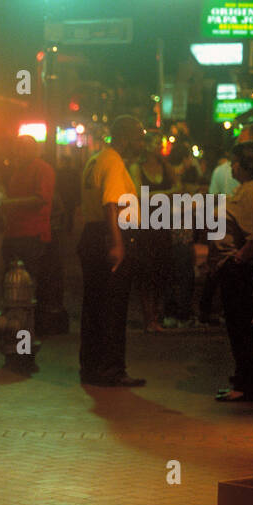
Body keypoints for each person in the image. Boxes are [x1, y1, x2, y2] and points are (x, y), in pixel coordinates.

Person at [78, 115, 147, 388]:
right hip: (111, 235)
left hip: (93, 235)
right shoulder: (114, 162)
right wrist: (118, 244)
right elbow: (111, 204)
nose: (142, 144)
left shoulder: (96, 159)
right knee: (113, 308)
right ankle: (111, 370)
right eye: (139, 138)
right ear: (127, 137)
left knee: (94, 306)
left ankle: (92, 367)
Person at [211, 142, 253, 402]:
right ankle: (244, 379)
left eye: (235, 162)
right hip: (235, 268)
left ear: (245, 166)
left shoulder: (249, 192)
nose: (231, 166)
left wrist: (237, 258)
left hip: (239, 272)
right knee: (239, 326)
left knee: (241, 326)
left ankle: (246, 383)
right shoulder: (248, 190)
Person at [128, 133, 177, 333]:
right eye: (156, 143)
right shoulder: (136, 167)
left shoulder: (166, 166)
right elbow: (140, 195)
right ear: (146, 146)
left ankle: (156, 316)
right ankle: (149, 317)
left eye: (161, 143)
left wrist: (156, 196)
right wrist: (166, 194)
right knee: (146, 272)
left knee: (162, 270)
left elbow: (180, 187)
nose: (160, 146)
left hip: (163, 224)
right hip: (145, 226)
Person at [0, 135, 54, 297]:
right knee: (11, 282)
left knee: (28, 282)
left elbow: (41, 199)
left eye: (23, 148)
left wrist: (11, 203)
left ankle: (27, 317)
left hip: (32, 234)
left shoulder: (42, 169)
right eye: (17, 147)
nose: (19, 151)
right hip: (13, 233)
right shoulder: (18, 170)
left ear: (34, 150)